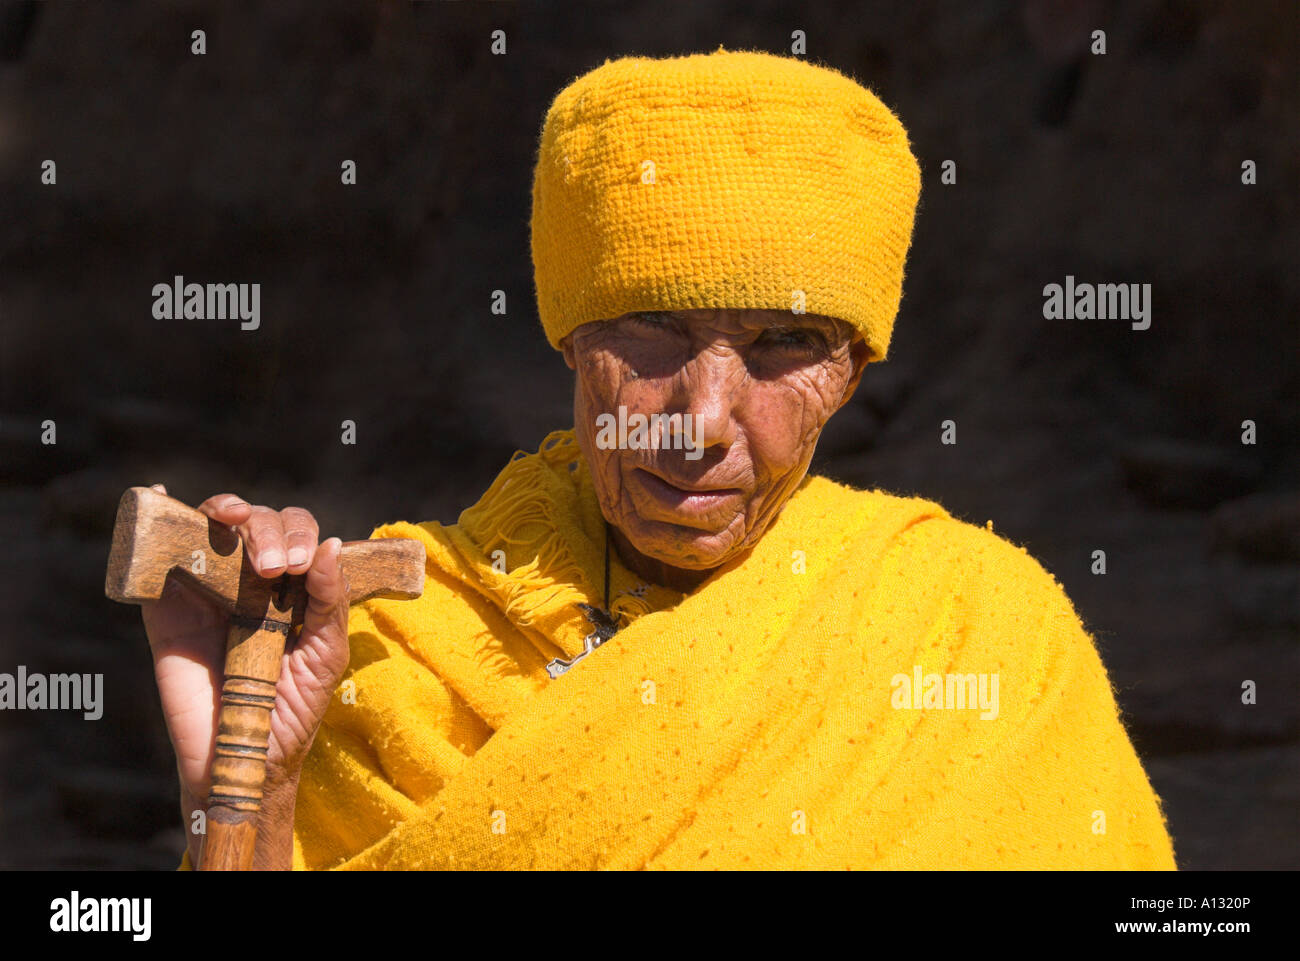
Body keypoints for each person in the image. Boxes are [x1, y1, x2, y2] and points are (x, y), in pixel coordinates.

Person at [144, 48, 1176, 870]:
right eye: (649, 329)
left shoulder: (976, 638)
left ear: (854, 371)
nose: (705, 420)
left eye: (786, 345)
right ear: (567, 338)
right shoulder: (388, 659)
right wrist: (249, 791)